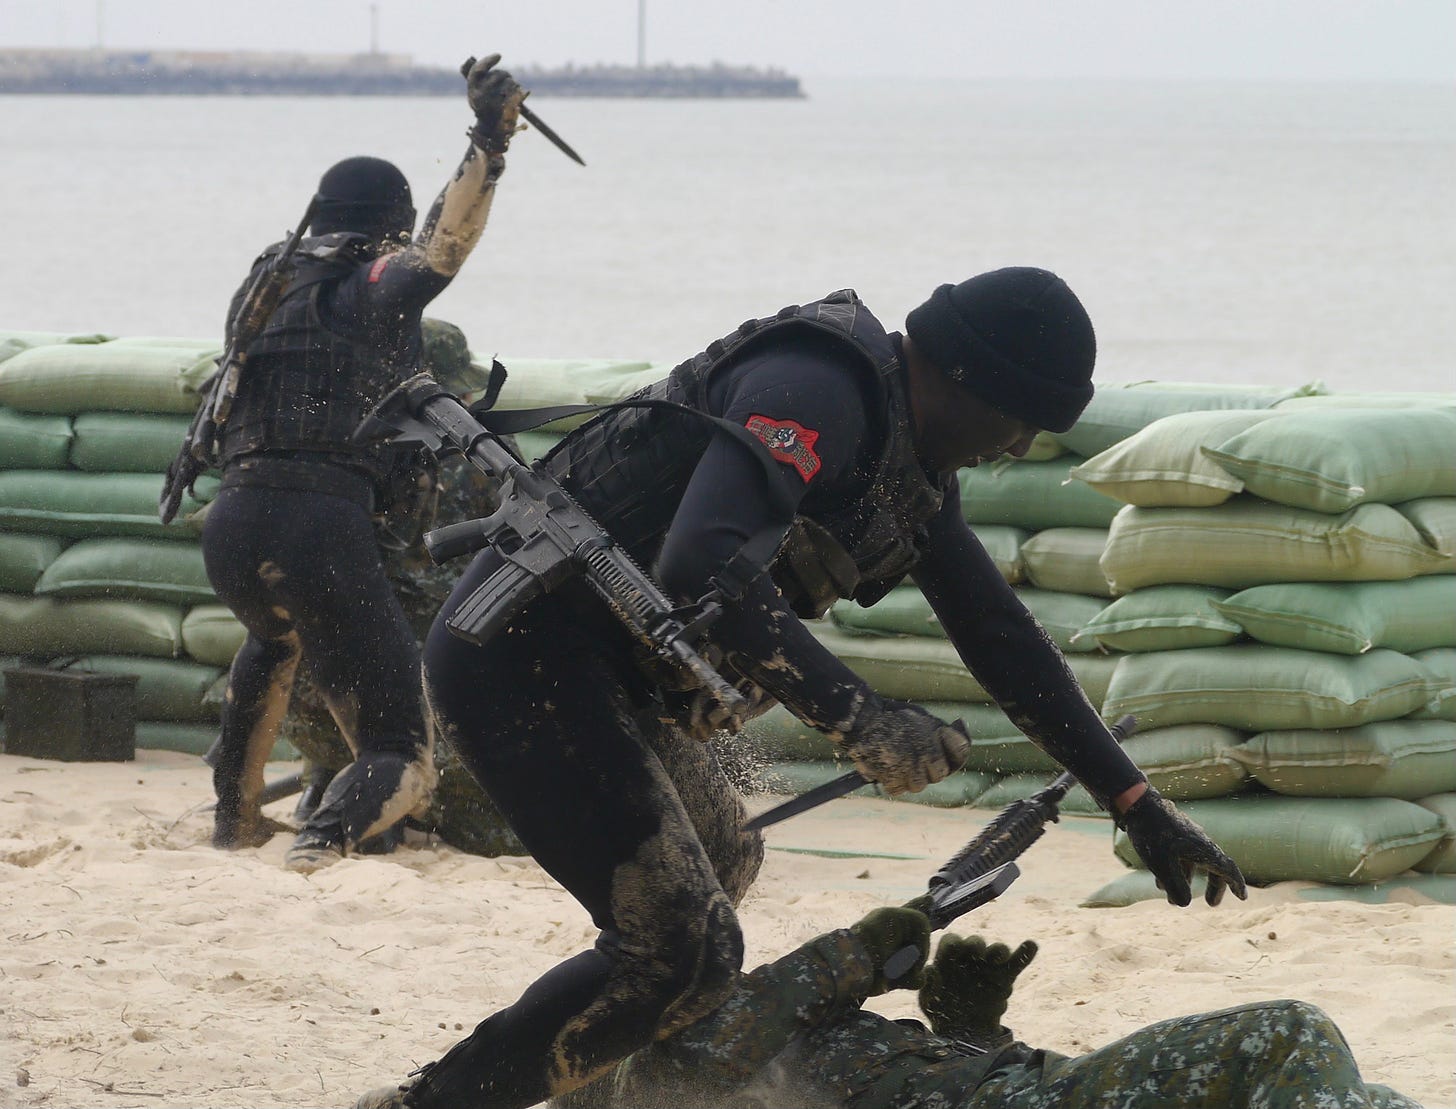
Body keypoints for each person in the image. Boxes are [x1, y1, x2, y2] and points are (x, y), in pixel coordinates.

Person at [361, 270, 1249, 1108]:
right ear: (963, 378)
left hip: (617, 684)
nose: (1015, 447)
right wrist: (858, 716)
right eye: (1016, 421)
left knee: (726, 864)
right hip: (524, 658)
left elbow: (998, 633)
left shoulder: (912, 465)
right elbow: (700, 557)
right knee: (682, 954)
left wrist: (1135, 801)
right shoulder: (813, 385)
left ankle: (605, 1076)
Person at [202, 54, 525, 871]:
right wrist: (492, 138)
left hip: (232, 522)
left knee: (274, 643)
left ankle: (233, 822)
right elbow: (442, 249)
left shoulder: (263, 290)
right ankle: (322, 845)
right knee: (402, 754)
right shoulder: (369, 286)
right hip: (318, 524)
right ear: (388, 226)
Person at [532, 906, 1425, 1109]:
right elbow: (724, 1045)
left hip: (1031, 1088)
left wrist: (969, 1026)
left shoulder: (766, 1040)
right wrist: (850, 953)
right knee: (1288, 1033)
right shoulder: (650, 1078)